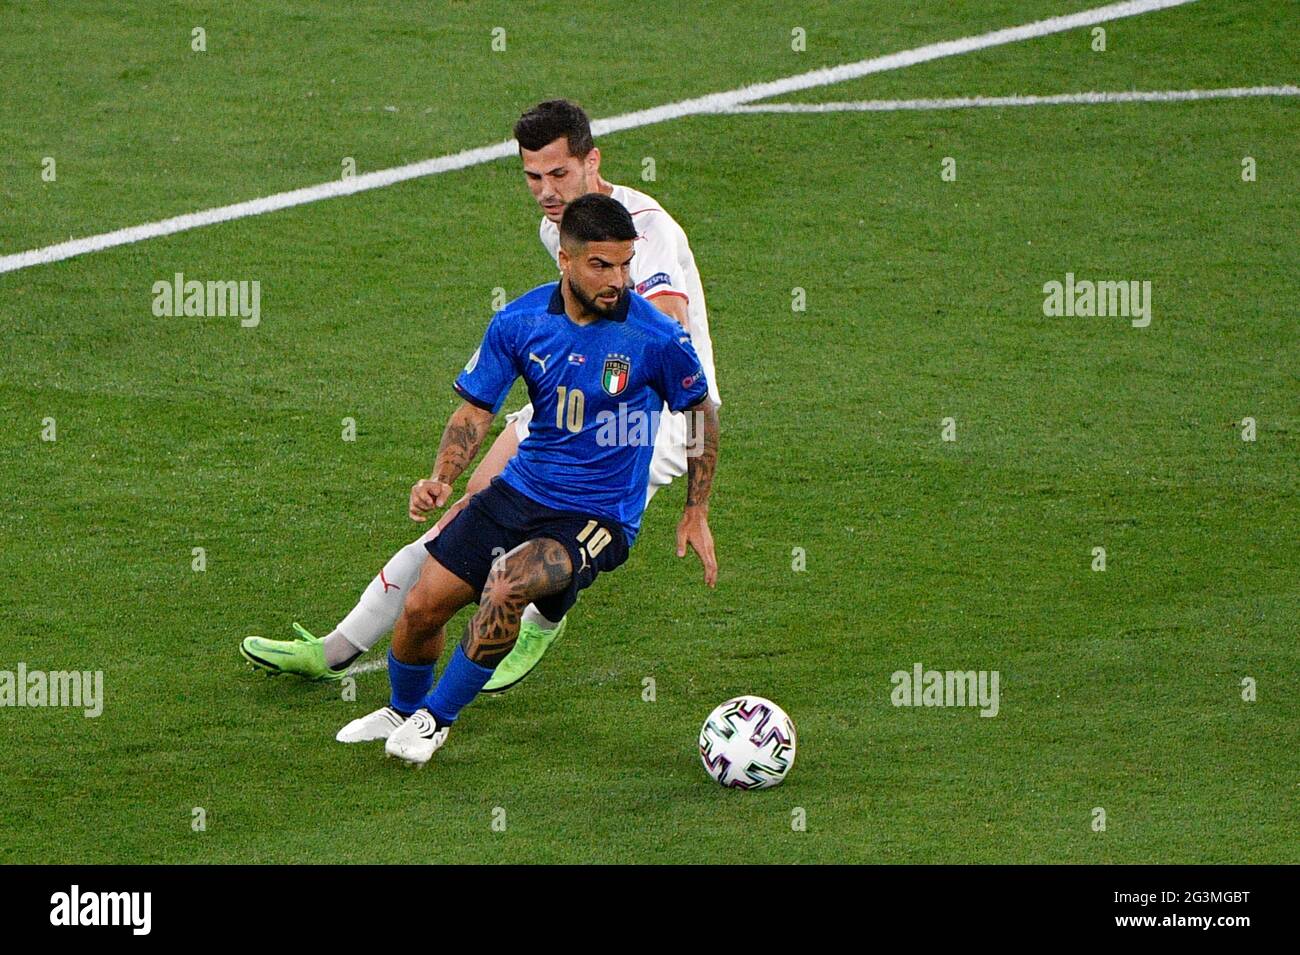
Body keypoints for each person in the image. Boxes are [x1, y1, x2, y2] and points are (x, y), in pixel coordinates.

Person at [240, 99, 720, 691]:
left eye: (559, 174)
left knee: (556, 540)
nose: (546, 191)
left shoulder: (643, 229)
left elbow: (663, 327)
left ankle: (537, 624)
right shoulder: (560, 227)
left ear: (592, 162)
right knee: (474, 503)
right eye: (533, 177)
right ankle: (338, 647)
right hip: (573, 393)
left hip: (647, 418)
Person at [334, 194, 719, 765]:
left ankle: (435, 721)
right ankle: (401, 709)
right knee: (421, 607)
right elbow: (474, 412)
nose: (619, 280)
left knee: (509, 583)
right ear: (565, 260)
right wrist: (441, 476)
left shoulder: (655, 337)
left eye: (625, 263)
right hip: (520, 490)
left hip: (597, 516)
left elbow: (700, 413)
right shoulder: (519, 322)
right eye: (601, 265)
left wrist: (696, 510)